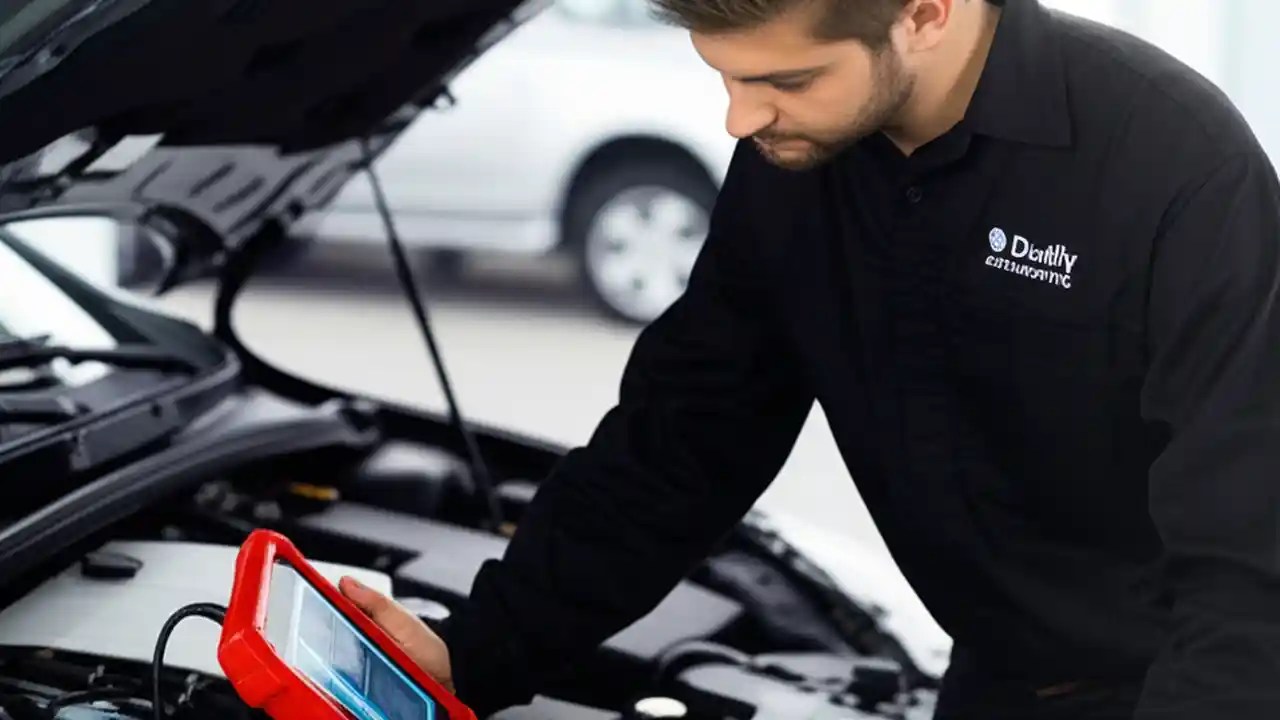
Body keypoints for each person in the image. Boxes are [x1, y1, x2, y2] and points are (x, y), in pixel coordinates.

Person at [339, 0, 1280, 717]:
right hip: (991, 681)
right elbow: (680, 443)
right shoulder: (797, 163)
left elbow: (1251, 560)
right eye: (725, 78)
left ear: (924, 13)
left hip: (1188, 687)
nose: (740, 121)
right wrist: (471, 654)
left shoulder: (1172, 167)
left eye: (785, 82)